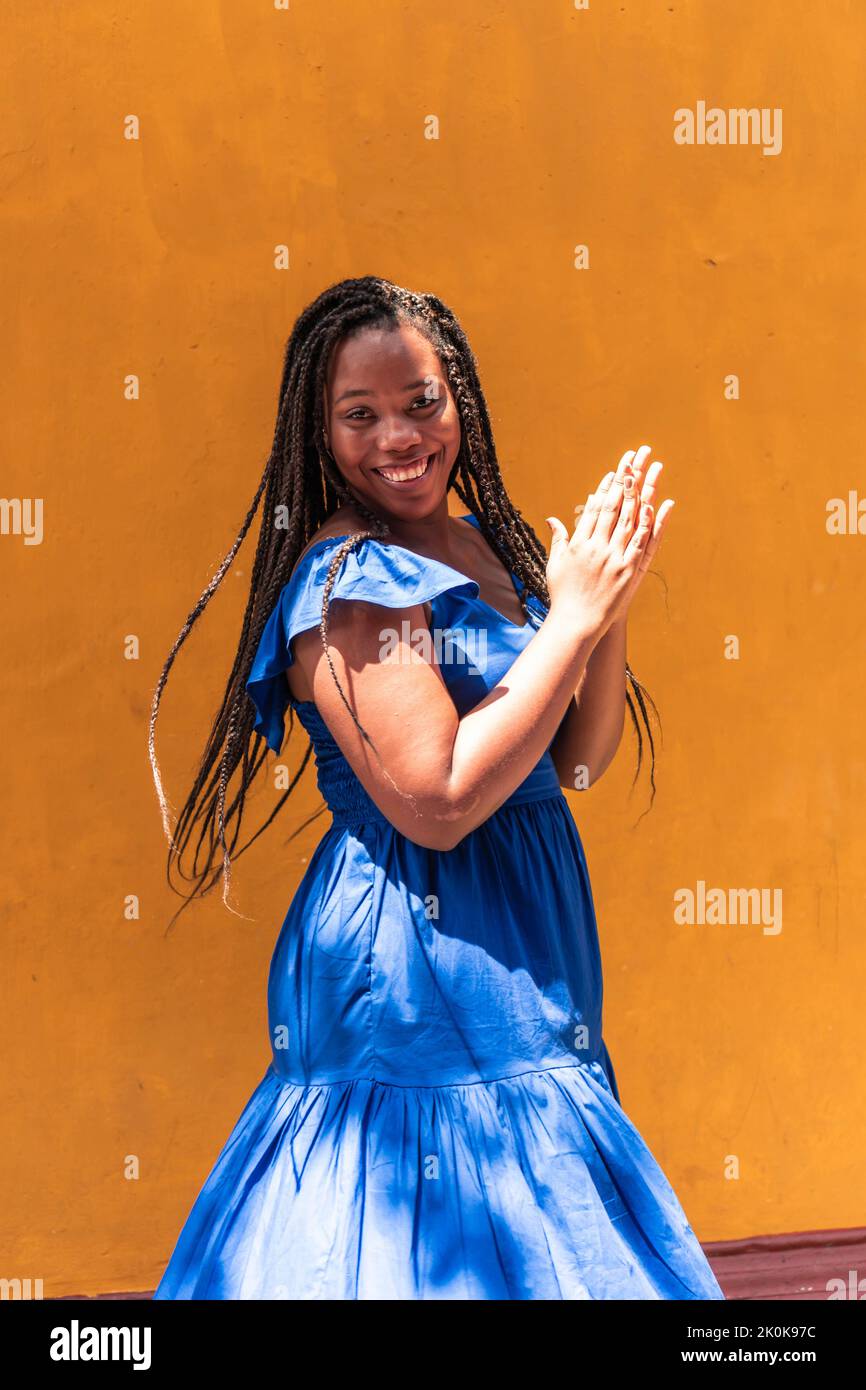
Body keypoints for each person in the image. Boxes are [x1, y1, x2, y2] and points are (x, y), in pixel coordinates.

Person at [149, 275, 725, 1300]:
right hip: (417, 964)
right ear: (316, 434)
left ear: (458, 396)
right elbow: (440, 798)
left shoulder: (476, 550)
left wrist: (603, 609)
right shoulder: (351, 579)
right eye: (357, 415)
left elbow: (568, 768)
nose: (397, 436)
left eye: (420, 401)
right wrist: (568, 620)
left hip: (526, 953)